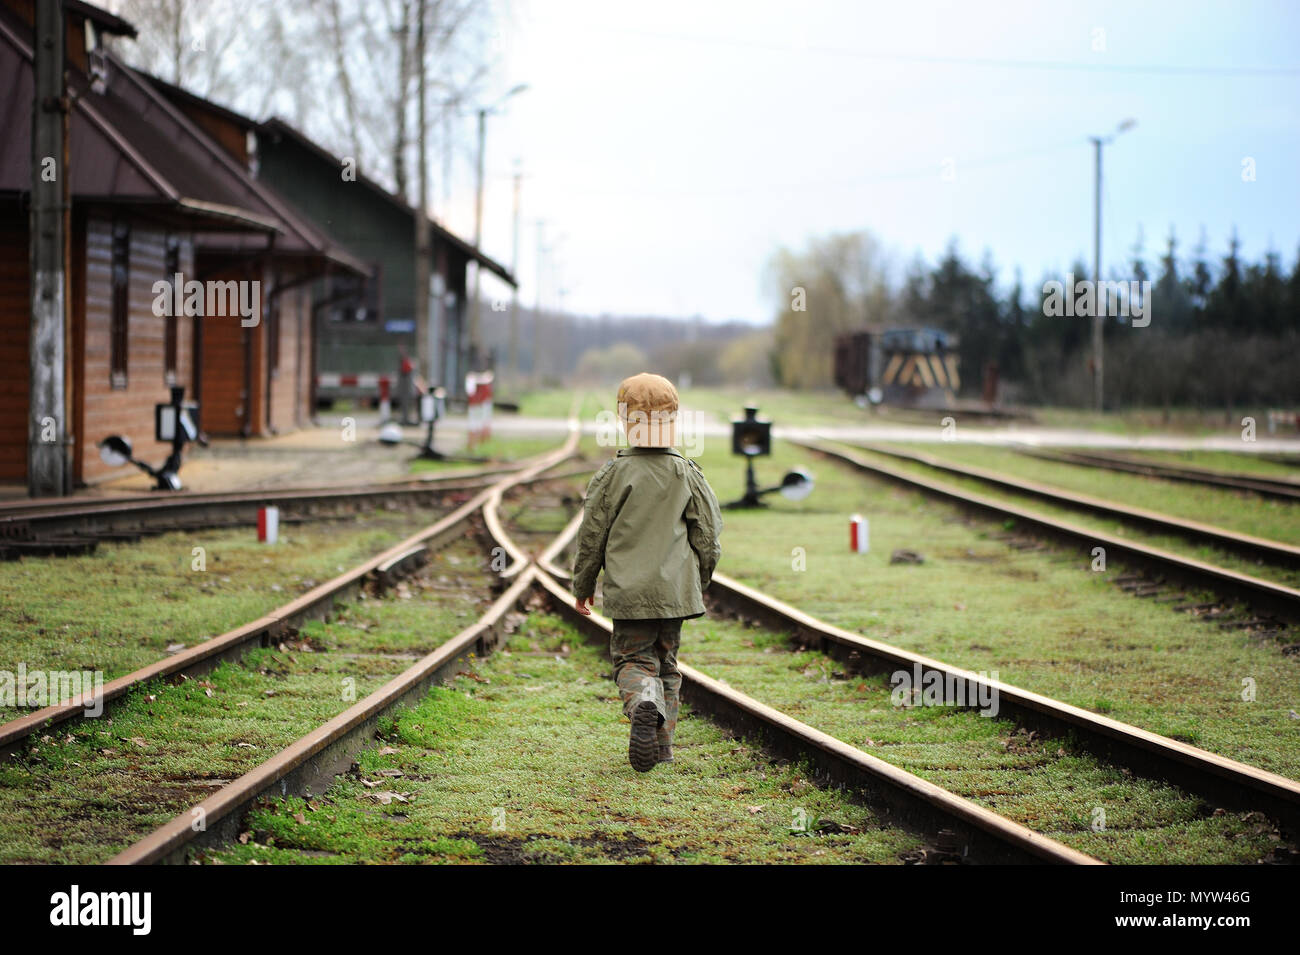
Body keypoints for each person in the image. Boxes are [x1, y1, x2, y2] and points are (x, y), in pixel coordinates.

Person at [572, 373, 723, 772]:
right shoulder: (687, 472)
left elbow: (592, 536)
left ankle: (642, 700)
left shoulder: (611, 475)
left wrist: (583, 585)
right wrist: (698, 581)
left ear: (625, 419)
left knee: (633, 658)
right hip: (674, 592)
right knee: (667, 663)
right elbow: (707, 535)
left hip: (629, 591)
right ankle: (663, 745)